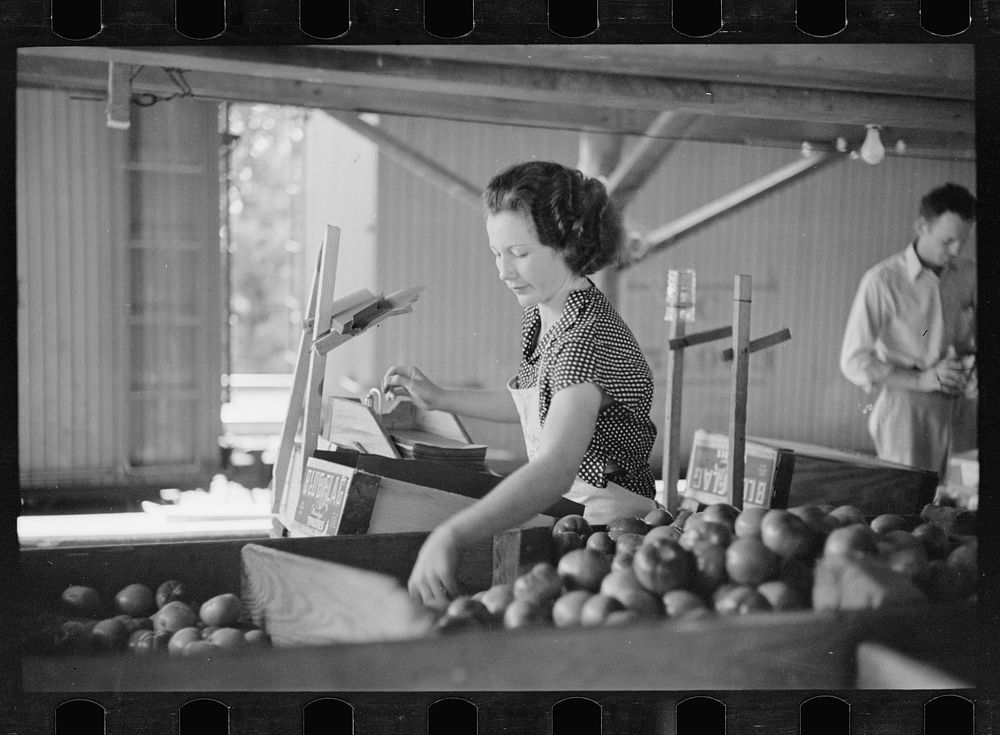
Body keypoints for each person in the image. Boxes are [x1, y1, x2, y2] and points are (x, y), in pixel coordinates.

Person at [382, 160, 658, 606]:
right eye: (496, 252)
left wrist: (450, 535)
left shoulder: (584, 337)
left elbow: (554, 469)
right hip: (570, 520)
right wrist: (440, 398)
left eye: (520, 253)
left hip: (612, 538)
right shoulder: (547, 314)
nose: (503, 271)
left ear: (569, 245)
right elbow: (535, 403)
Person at [839, 182, 977, 481]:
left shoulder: (970, 276)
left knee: (960, 506)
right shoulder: (882, 281)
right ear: (921, 227)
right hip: (906, 408)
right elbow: (854, 361)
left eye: (962, 241)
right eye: (948, 240)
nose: (955, 251)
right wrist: (921, 380)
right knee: (907, 508)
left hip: (962, 408)